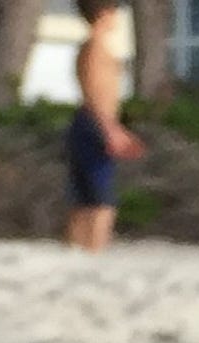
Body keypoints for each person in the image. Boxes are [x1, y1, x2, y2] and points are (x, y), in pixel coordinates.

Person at [64, 0, 146, 254]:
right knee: (100, 200)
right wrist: (111, 130)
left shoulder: (95, 48)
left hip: (94, 123)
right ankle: (92, 249)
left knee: (86, 197)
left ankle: (80, 248)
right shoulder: (94, 49)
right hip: (94, 123)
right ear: (103, 13)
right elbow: (94, 94)